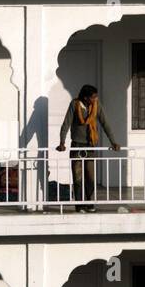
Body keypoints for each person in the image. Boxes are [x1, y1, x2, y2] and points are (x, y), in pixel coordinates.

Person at [56, 84, 121, 212]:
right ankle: (80, 205)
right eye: (93, 97)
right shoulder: (74, 105)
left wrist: (113, 142)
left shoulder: (96, 106)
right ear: (85, 98)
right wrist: (62, 142)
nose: (96, 99)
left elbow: (105, 123)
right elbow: (66, 123)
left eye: (96, 97)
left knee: (90, 177)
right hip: (77, 146)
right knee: (77, 177)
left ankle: (90, 203)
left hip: (90, 145)